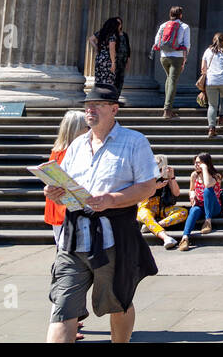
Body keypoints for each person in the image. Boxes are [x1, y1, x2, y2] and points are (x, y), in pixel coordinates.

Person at [43, 85, 159, 343]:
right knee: (62, 308)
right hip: (72, 239)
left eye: (96, 105)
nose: (89, 110)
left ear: (114, 109)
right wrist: (54, 191)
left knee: (119, 302)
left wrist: (111, 199)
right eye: (87, 106)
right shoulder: (76, 145)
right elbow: (65, 182)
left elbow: (148, 186)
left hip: (112, 238)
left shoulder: (134, 141)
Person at [43, 111, 88, 231]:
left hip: (58, 203)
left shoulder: (56, 150)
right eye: (87, 127)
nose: (90, 130)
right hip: (66, 205)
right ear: (77, 129)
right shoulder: (76, 151)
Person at [137, 154, 187, 250]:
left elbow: (176, 193)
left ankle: (154, 225)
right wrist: (154, 187)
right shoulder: (145, 176)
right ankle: (166, 238)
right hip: (146, 206)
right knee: (144, 215)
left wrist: (171, 178)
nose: (158, 171)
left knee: (183, 212)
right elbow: (139, 197)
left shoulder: (167, 177)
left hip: (163, 207)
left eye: (160, 168)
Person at [177, 153, 223, 250]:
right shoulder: (194, 175)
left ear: (206, 163)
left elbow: (207, 184)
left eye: (199, 163)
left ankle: (208, 222)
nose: (196, 165)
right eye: (195, 163)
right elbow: (191, 189)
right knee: (194, 210)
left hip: (213, 208)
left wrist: (204, 169)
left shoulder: (217, 176)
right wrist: (192, 194)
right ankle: (185, 238)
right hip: (200, 206)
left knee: (208, 190)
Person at [152, 6, 191, 120]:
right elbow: (187, 45)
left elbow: (156, 42)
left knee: (169, 78)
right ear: (181, 15)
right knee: (173, 81)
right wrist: (184, 59)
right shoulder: (184, 26)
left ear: (170, 14)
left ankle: (167, 106)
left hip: (163, 57)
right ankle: (167, 110)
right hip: (177, 57)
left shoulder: (163, 25)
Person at [199, 32, 223, 138]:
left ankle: (211, 128)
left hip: (211, 81)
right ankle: (222, 117)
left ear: (213, 40)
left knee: (212, 105)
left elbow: (203, 68)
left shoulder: (207, 51)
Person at [89, 16, 123, 91]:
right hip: (108, 60)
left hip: (99, 58)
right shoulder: (112, 35)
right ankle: (105, 97)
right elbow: (112, 50)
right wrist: (113, 63)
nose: (120, 26)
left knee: (99, 79)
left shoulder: (101, 32)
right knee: (108, 81)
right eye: (118, 24)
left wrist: (97, 47)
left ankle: (99, 96)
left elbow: (91, 39)